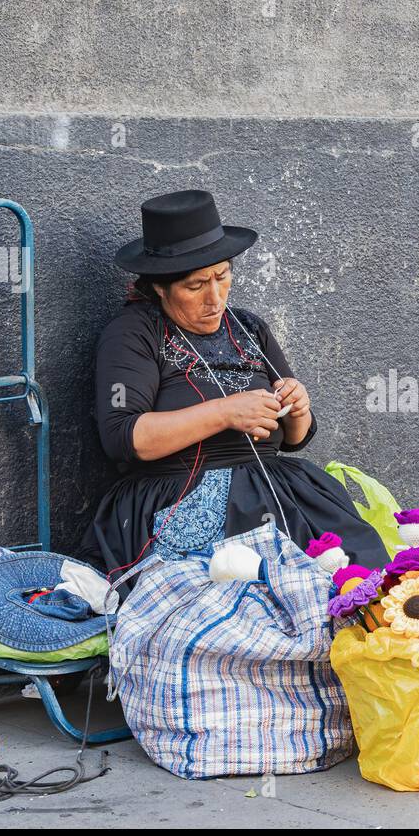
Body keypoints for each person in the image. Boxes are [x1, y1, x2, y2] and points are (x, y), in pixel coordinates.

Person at [79, 189, 390, 578]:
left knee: (362, 582)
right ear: (159, 287)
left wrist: (298, 407)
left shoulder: (248, 326)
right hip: (181, 496)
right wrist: (225, 412)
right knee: (250, 592)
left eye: (222, 277)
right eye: (195, 286)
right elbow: (124, 437)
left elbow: (295, 439)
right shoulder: (134, 334)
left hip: (279, 491)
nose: (215, 298)